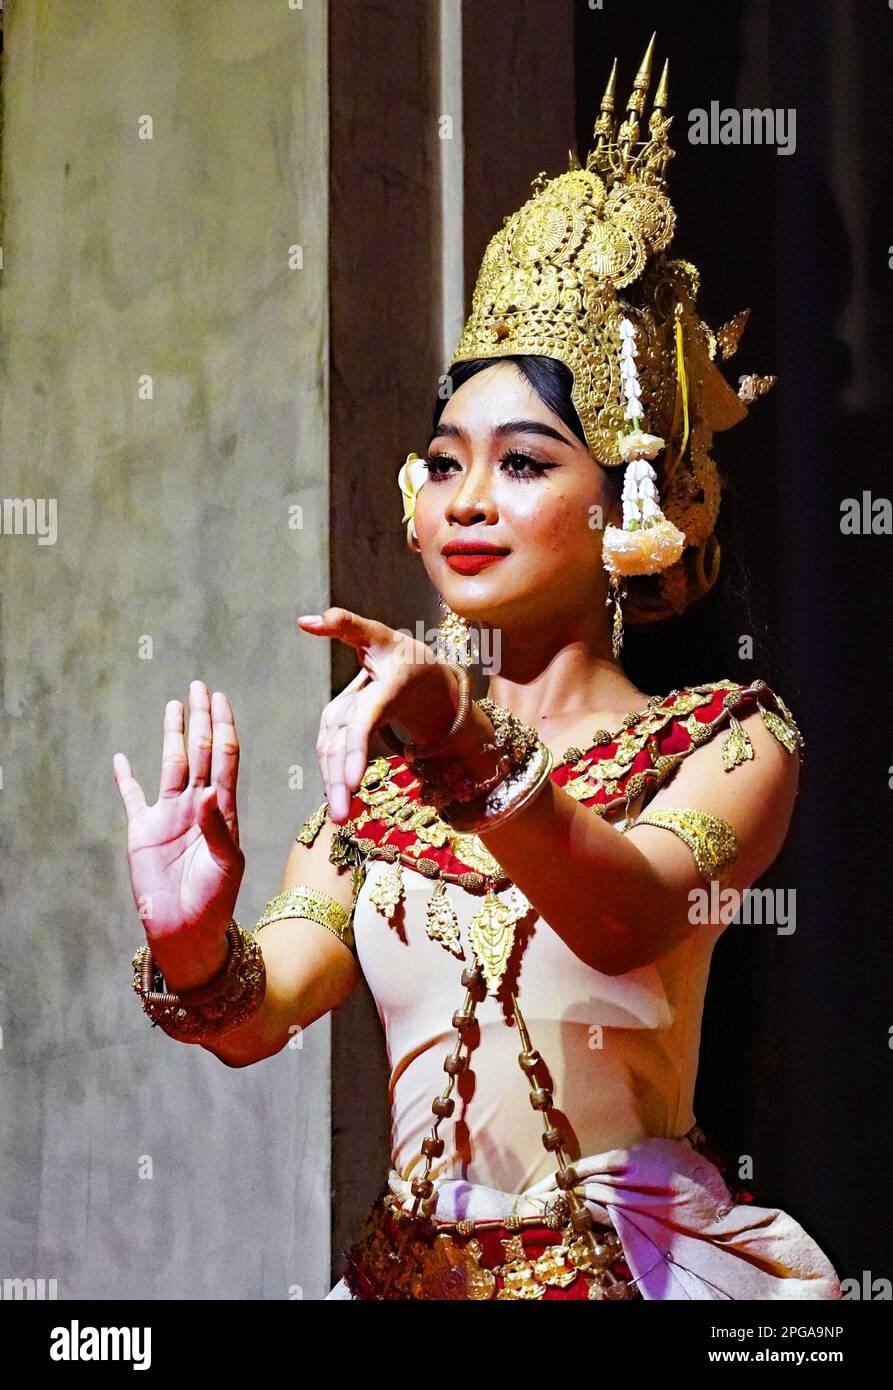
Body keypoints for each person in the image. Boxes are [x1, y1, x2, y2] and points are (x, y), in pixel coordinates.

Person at [114, 38, 841, 1301]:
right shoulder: (382, 789)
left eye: (520, 463)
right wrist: (188, 940)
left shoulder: (726, 743)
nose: (465, 499)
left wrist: (463, 732)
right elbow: (256, 1011)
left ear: (625, 502)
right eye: (445, 460)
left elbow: (618, 916)